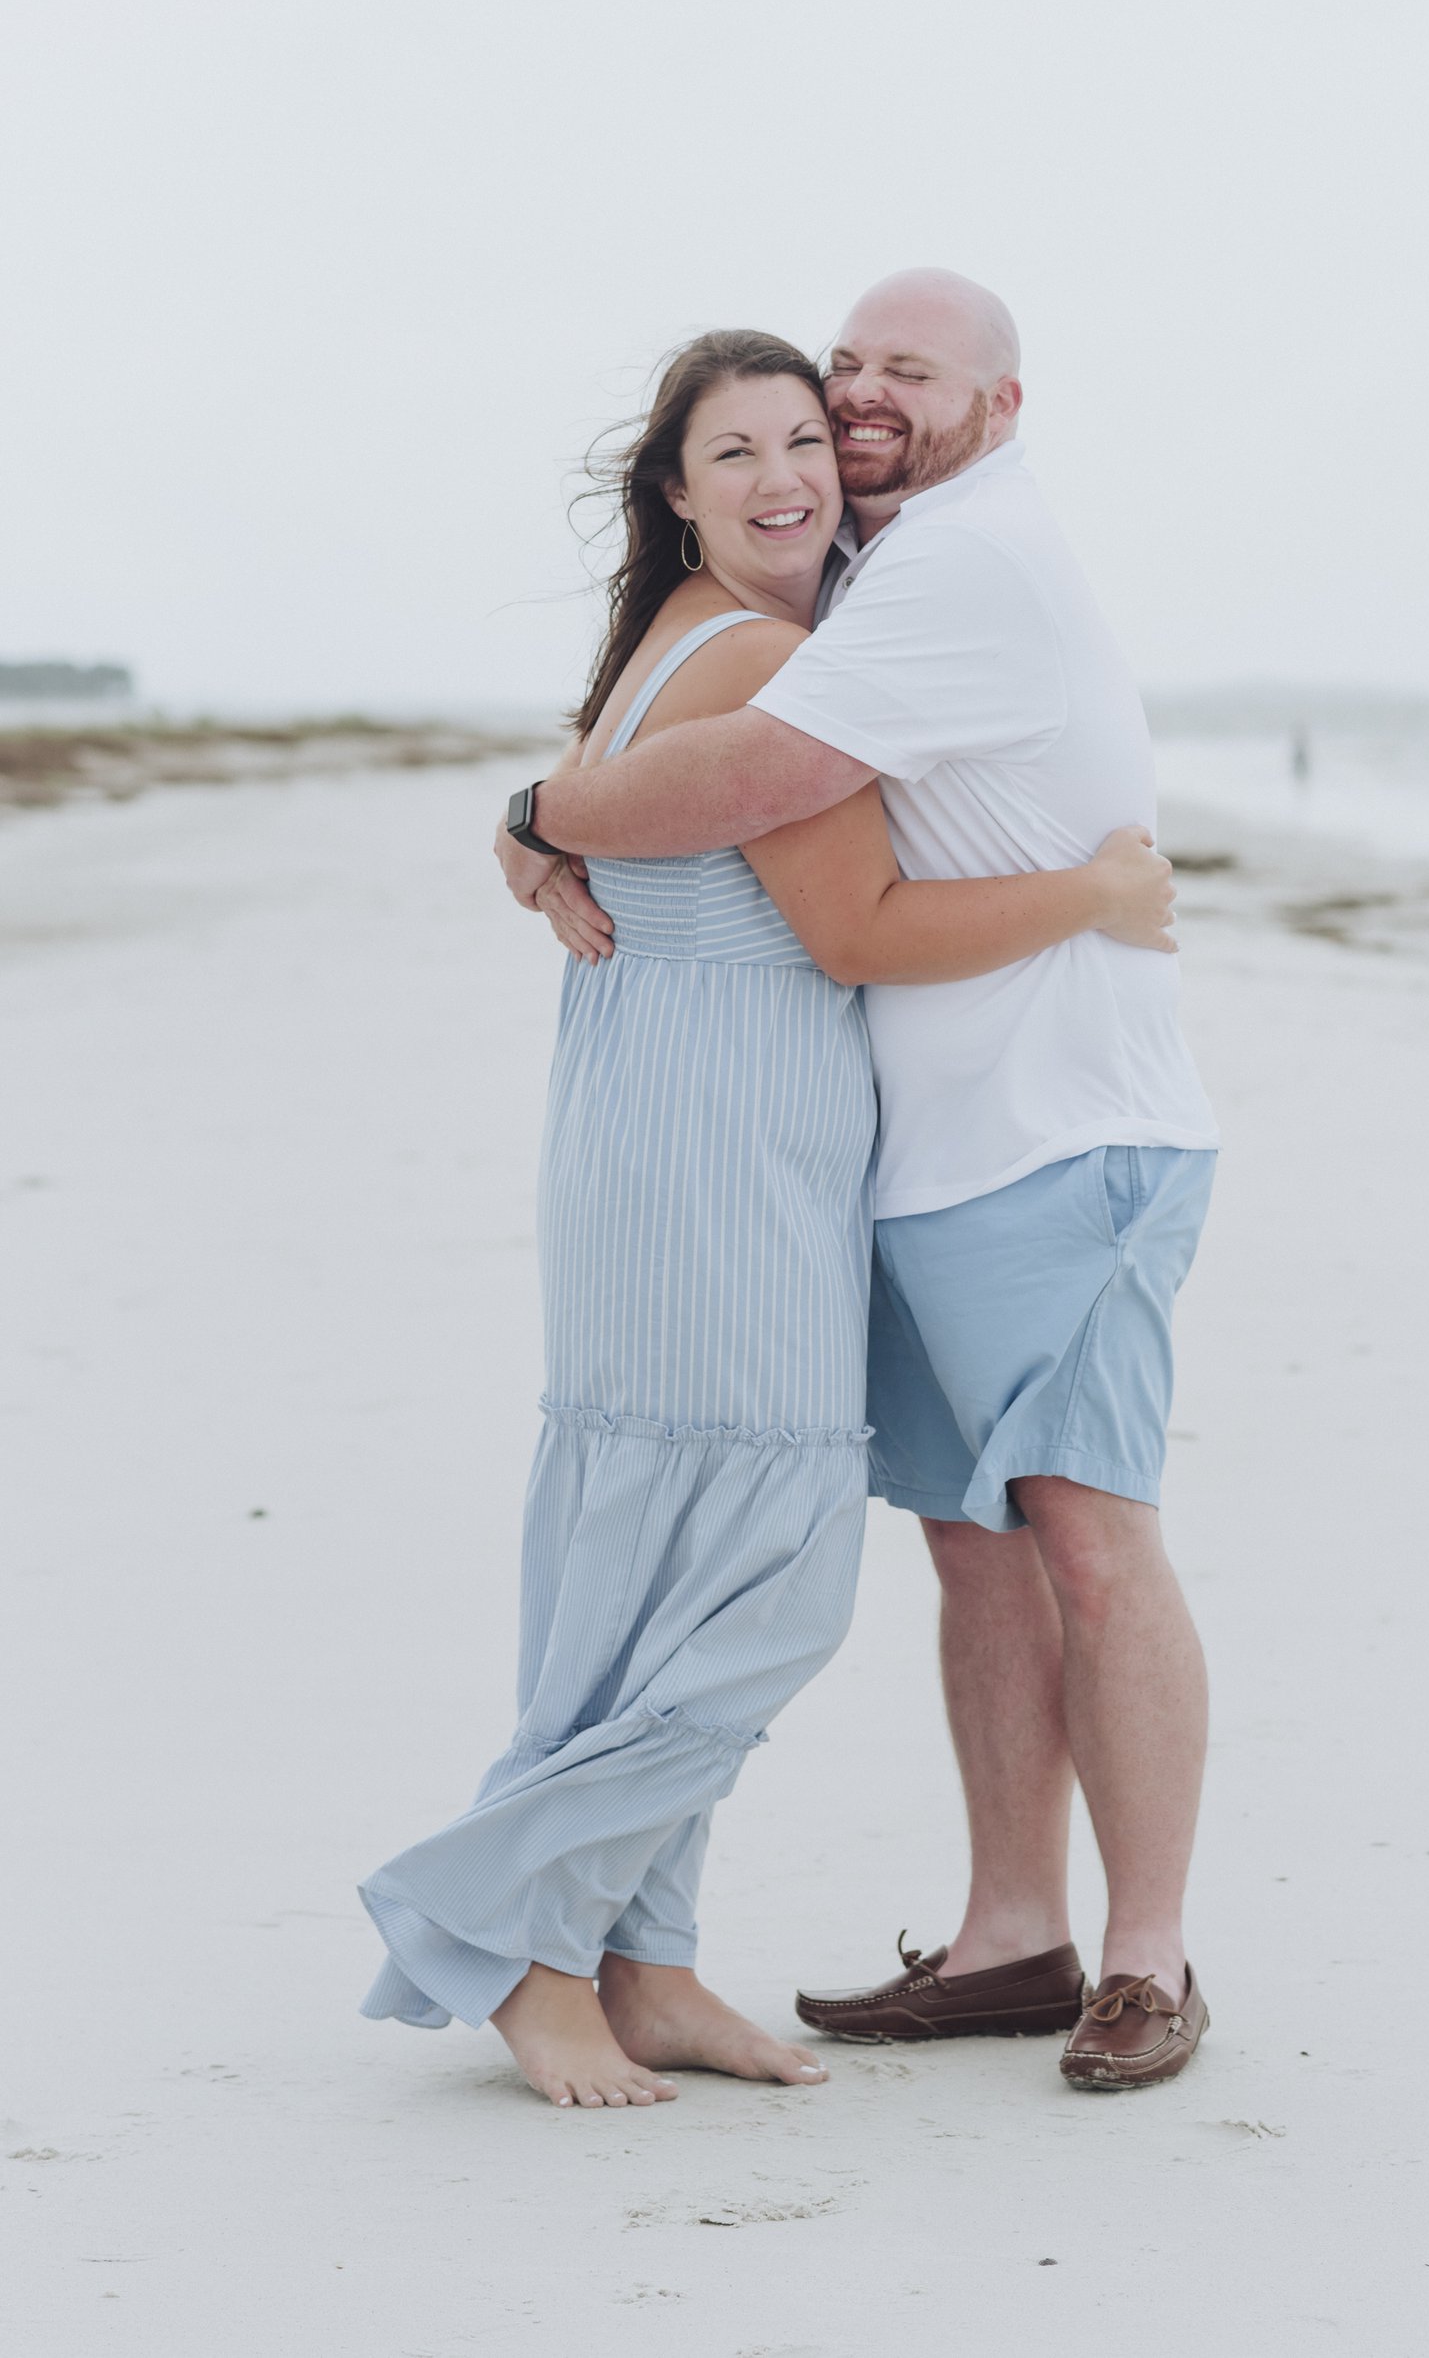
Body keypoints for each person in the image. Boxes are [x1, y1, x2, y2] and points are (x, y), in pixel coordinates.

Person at [361, 329, 1175, 2109]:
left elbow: (614, 817)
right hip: (724, 1149)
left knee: (654, 1551)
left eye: (804, 439)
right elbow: (861, 932)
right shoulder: (765, 657)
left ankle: (642, 1961)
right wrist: (1100, 890)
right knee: (769, 1567)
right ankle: (521, 1936)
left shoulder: (672, 642)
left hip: (675, 1126)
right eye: (733, 454)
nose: (785, 477)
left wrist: (526, 821)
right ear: (672, 490)